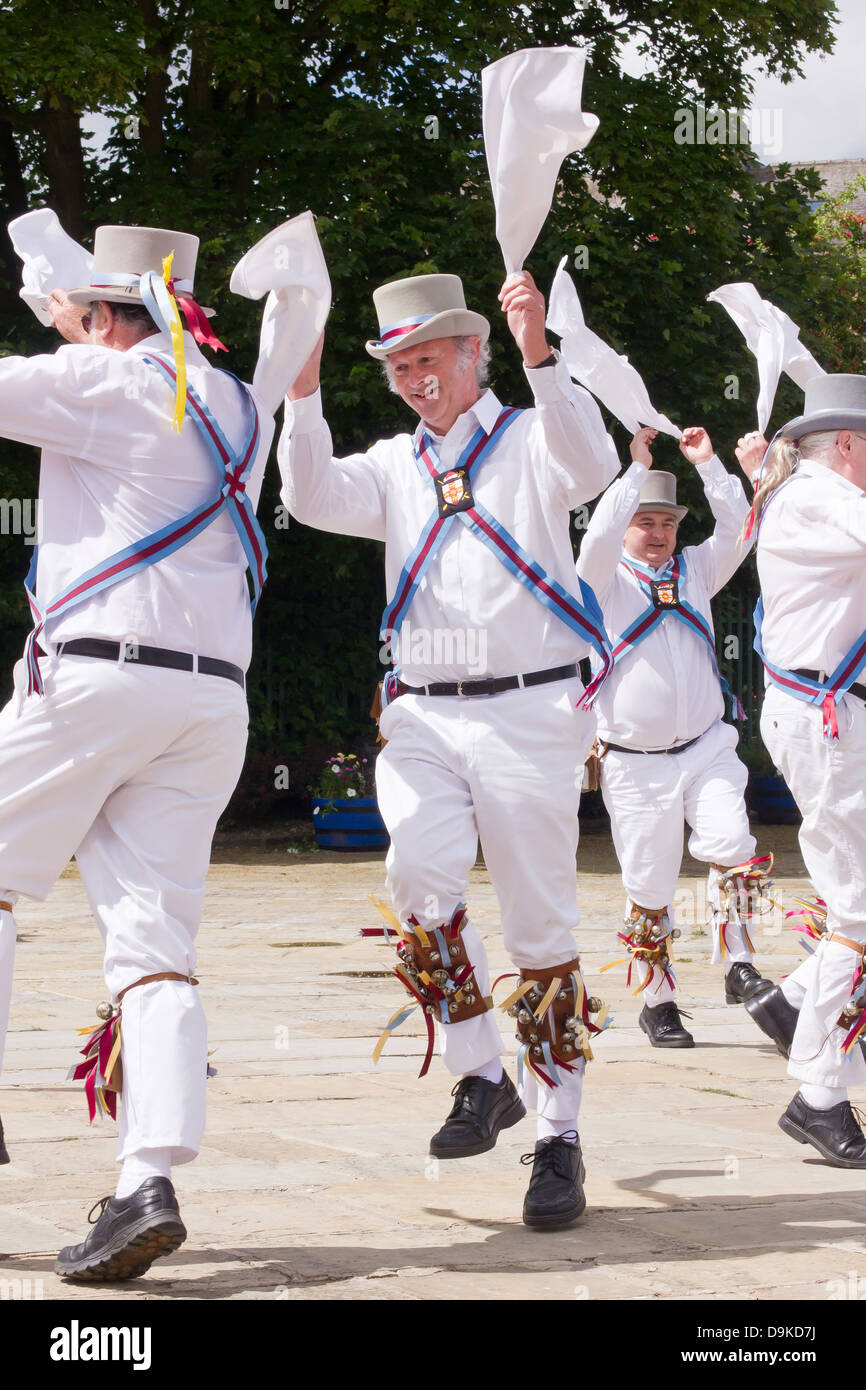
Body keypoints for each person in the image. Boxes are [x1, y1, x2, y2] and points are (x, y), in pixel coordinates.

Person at [279, 268, 619, 1228]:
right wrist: (301, 388)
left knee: (541, 931)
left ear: (473, 355)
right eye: (397, 365)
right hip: (423, 714)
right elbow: (307, 495)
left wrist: (541, 355)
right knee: (421, 885)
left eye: (427, 359)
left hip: (530, 713)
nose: (414, 378)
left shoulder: (529, 439)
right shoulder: (392, 464)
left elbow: (591, 466)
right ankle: (480, 1074)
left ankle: (559, 1139)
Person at [0, 224, 273, 1276]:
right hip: (209, 700)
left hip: (99, 679)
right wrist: (74, 309)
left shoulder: (110, 384)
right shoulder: (234, 400)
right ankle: (144, 1178)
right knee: (154, 939)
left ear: (112, 321)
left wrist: (71, 330)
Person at [576, 425, 774, 1046]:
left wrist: (712, 465)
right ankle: (656, 999)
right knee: (650, 885)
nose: (658, 533)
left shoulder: (696, 570)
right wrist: (633, 470)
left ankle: (739, 964)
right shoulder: (599, 582)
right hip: (634, 762)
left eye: (667, 522)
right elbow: (598, 537)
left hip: (707, 746)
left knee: (735, 847)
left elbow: (739, 525)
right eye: (646, 521)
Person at [737, 375, 866, 1166]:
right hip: (830, 721)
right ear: (849, 445)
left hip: (838, 715)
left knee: (860, 902)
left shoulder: (814, 495)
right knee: (859, 908)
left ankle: (789, 1002)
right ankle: (817, 1095)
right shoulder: (816, 496)